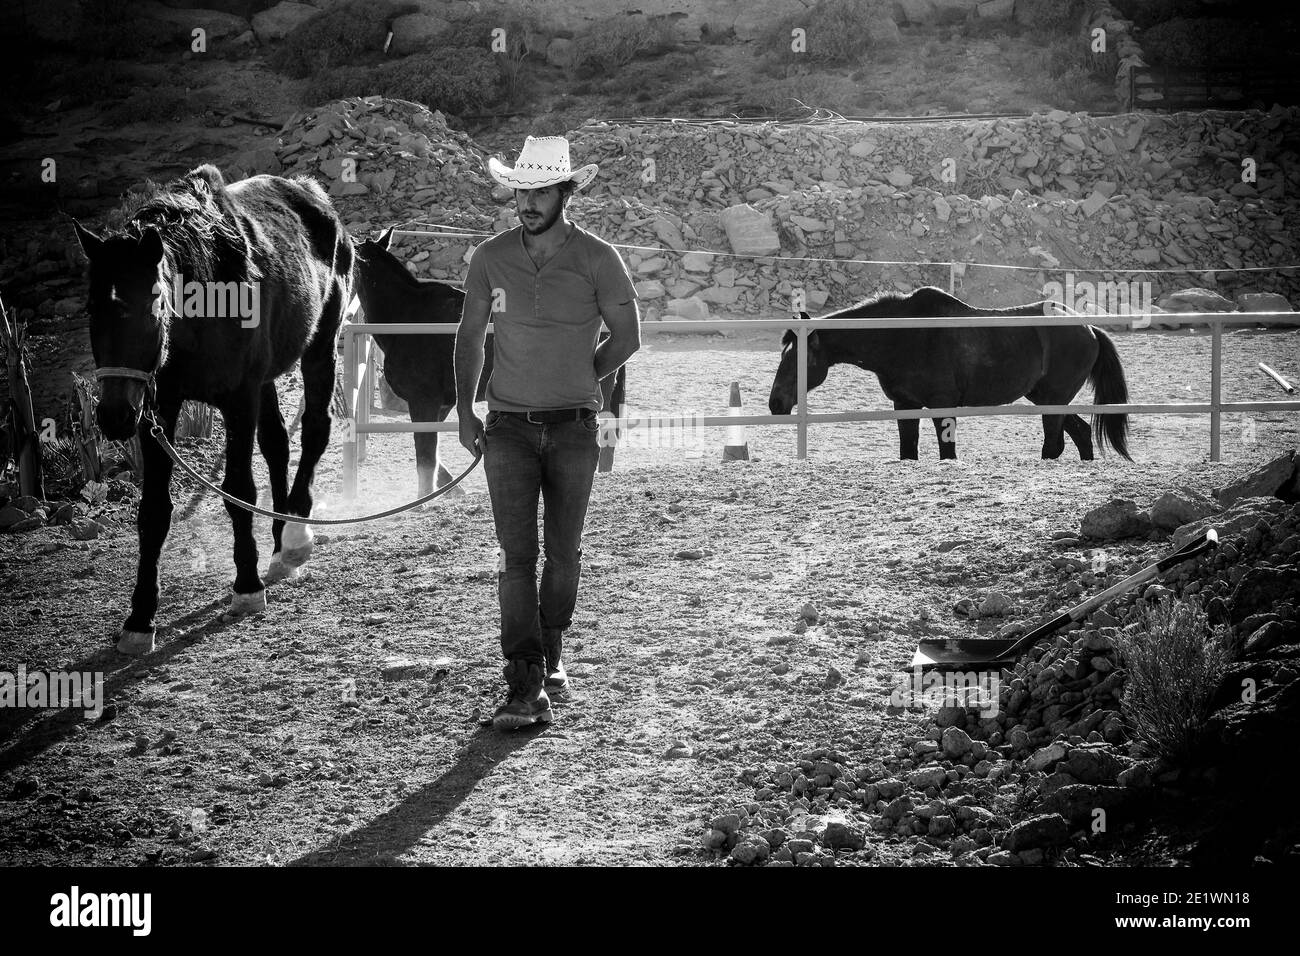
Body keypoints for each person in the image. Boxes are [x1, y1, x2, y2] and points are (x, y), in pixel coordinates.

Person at [455, 136, 641, 730]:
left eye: (539, 191)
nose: (527, 202)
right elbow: (469, 336)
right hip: (506, 425)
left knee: (563, 554)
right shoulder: (488, 257)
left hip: (575, 429)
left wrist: (583, 374)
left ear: (565, 192)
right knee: (517, 556)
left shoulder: (598, 257)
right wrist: (465, 410)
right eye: (520, 191)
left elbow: (629, 335)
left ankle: (553, 652)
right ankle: (525, 681)